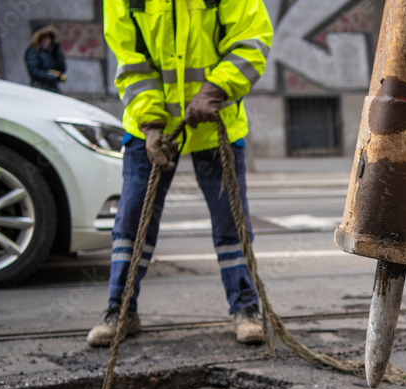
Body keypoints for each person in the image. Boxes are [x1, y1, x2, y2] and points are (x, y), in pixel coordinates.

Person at [89, 0, 273, 347]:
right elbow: (131, 62)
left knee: (231, 222)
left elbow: (252, 41)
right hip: (151, 131)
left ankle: (246, 309)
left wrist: (215, 90)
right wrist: (151, 123)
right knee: (131, 221)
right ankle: (120, 310)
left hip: (215, 119)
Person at [24, 26, 67, 93]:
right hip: (39, 87)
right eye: (44, 38)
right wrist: (50, 75)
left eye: (48, 38)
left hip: (53, 87)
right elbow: (33, 71)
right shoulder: (33, 51)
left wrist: (58, 55)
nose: (46, 40)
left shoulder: (52, 51)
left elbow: (62, 68)